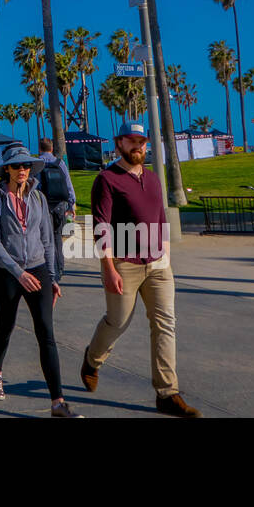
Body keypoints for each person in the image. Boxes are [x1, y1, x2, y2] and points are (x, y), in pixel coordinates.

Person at [81, 123, 200, 417]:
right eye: (132, 141)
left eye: (142, 141)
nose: (138, 146)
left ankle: (167, 393)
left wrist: (166, 258)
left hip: (158, 265)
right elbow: (102, 228)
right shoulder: (107, 179)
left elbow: (161, 220)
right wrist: (108, 268)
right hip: (123, 264)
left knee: (165, 324)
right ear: (119, 143)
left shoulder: (152, 179)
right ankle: (92, 359)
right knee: (118, 321)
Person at [0, 142, 80, 417]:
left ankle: (57, 403)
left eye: (26, 165)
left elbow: (48, 240)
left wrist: (51, 277)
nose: (23, 170)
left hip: (38, 270)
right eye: (17, 166)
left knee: (46, 334)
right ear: (7, 170)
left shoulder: (38, 198)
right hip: (6, 273)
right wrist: (18, 273)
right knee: (6, 325)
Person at [35, 138, 76, 283]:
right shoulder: (60, 163)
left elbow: (35, 186)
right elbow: (68, 184)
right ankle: (60, 269)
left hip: (43, 205)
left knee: (44, 239)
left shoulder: (38, 163)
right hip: (59, 206)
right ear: (52, 149)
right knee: (58, 237)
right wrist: (72, 204)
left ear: (39, 148)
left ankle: (47, 269)